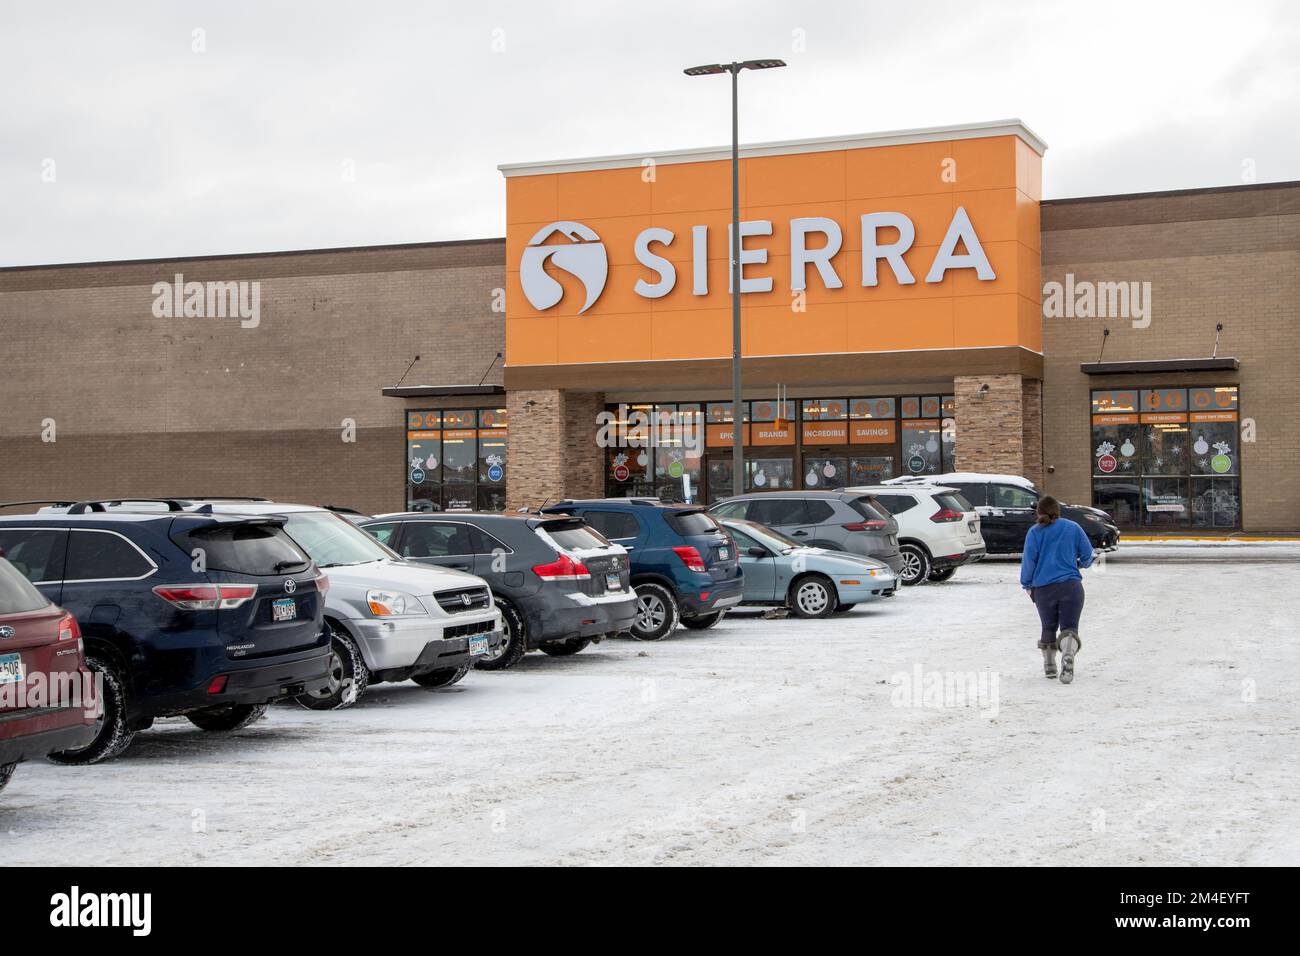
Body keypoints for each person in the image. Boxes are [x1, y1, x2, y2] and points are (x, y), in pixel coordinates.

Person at [1019, 495, 1095, 683]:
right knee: (1069, 627)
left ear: (1039, 512)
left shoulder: (1035, 532)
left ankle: (1049, 665)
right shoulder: (1073, 527)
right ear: (1058, 511)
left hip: (1043, 589)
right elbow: (1088, 555)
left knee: (1048, 626)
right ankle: (1068, 655)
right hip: (1071, 586)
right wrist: (1080, 563)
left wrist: (1027, 584)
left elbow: (1029, 561)